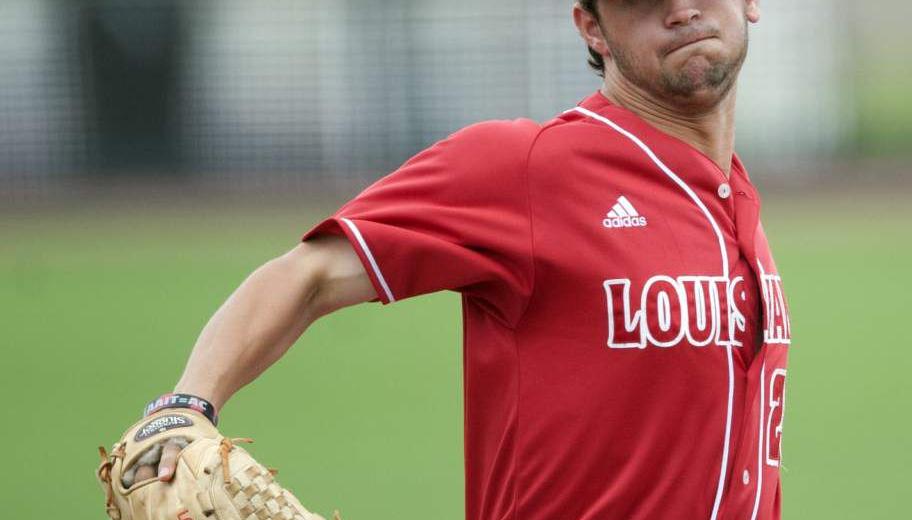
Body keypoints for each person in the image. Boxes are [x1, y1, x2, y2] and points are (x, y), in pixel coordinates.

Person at [134, 1, 792, 518]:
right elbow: (305, 277)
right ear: (592, 27)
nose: (680, 9)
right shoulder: (525, 169)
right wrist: (188, 403)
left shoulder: (734, 205)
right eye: (641, 0)